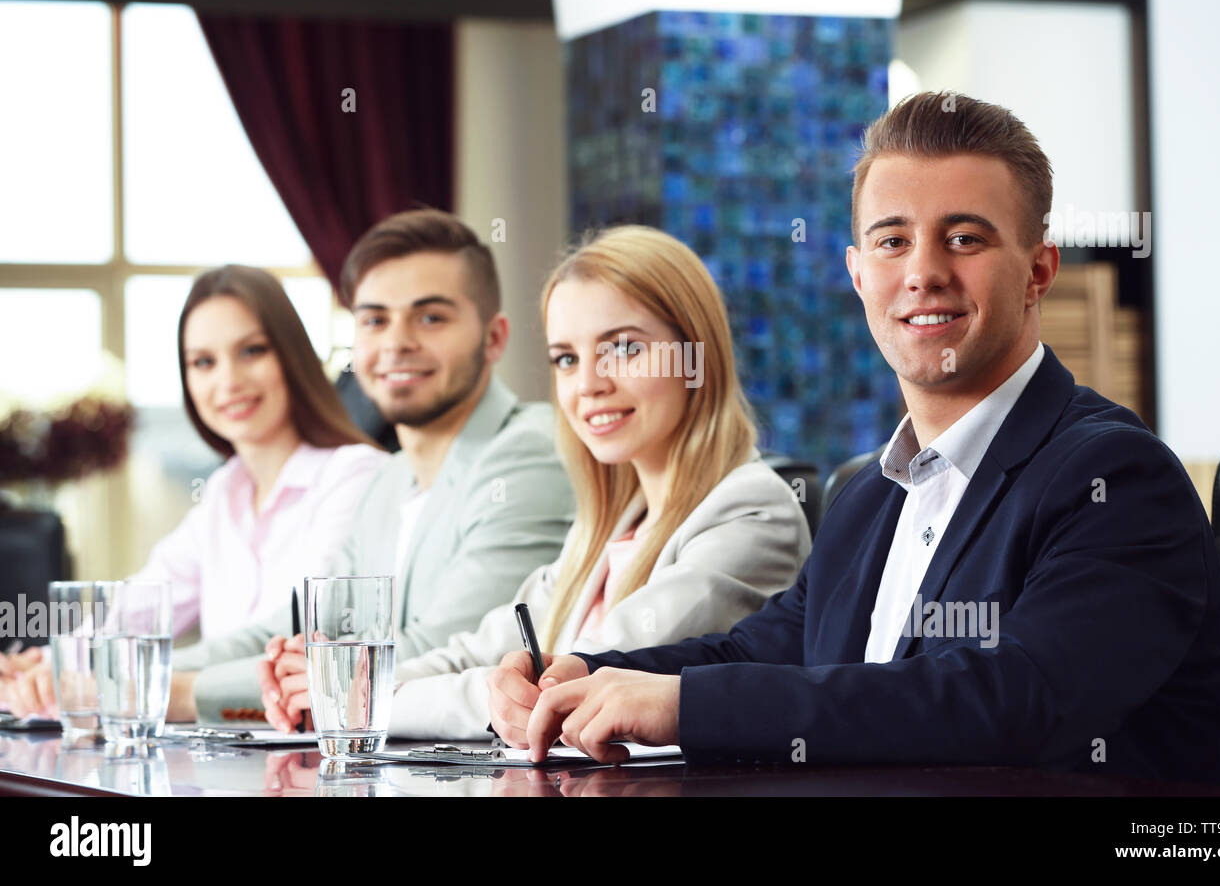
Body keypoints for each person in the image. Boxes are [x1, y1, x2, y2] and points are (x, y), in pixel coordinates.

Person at [495, 92, 1220, 784]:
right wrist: (587, 673)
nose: (923, 273)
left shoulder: (1114, 476)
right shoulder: (869, 493)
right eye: (892, 241)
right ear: (857, 274)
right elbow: (763, 649)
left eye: (964, 238)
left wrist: (688, 707)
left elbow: (1016, 698)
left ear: (1039, 271)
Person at [257, 226, 812, 738]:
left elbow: (577, 685)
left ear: (694, 356)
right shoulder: (606, 528)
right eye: (566, 358)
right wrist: (339, 683)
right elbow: (479, 651)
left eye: (623, 348)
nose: (588, 383)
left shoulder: (751, 511)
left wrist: (363, 701)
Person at [184, 208, 575, 725]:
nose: (396, 342)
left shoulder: (529, 450)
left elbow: (441, 649)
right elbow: (302, 625)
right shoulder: (388, 479)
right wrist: (136, 672)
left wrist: (187, 694)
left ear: (494, 338)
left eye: (430, 318)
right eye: (374, 320)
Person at [1, 265, 388, 719]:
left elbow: (299, 631)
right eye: (203, 362)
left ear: (293, 356)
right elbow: (140, 604)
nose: (228, 381)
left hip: (313, 744)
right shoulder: (225, 490)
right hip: (233, 746)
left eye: (252, 351)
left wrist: (103, 673)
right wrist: (44, 664)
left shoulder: (355, 475)